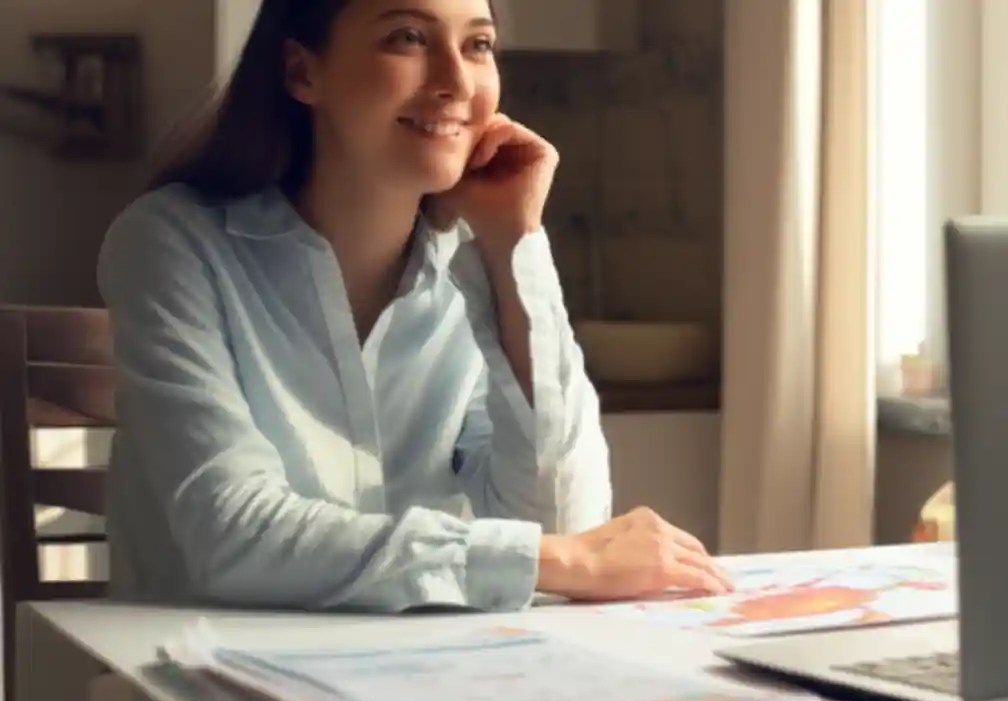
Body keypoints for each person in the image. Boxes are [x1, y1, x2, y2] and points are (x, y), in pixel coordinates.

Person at [98, 0, 733, 612]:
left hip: (416, 671)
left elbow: (562, 519)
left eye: (478, 44)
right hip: (198, 673)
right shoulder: (172, 243)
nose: (457, 82)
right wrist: (556, 561)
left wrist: (515, 245)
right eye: (408, 37)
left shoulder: (474, 267)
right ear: (302, 71)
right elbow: (230, 535)